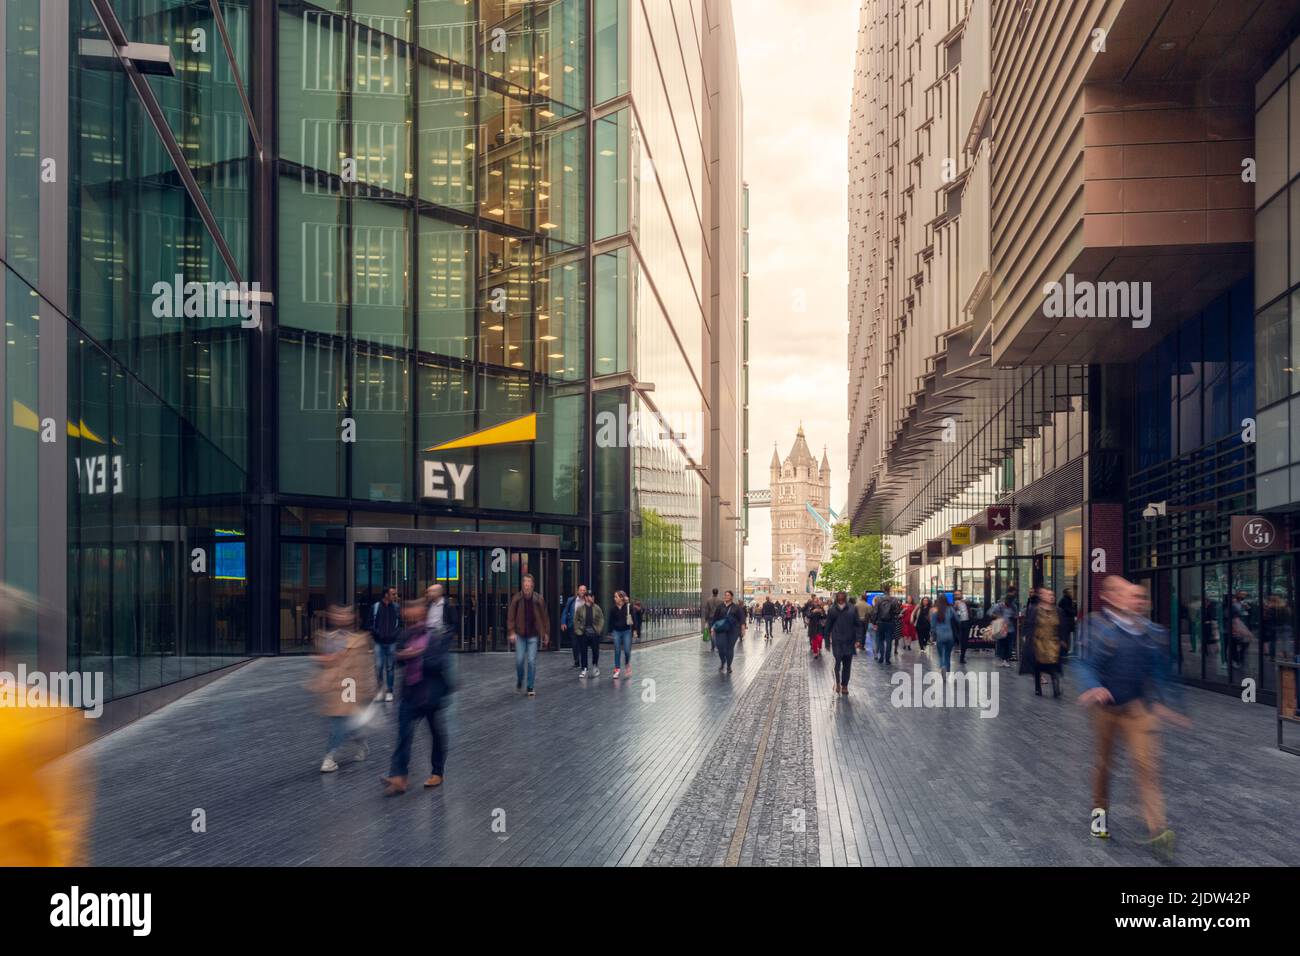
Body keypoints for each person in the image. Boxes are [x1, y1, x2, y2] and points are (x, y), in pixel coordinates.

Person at [1076, 576, 1189, 860]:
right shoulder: (1096, 626)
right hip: (1106, 708)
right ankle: (1099, 815)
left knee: (1146, 765)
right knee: (1104, 764)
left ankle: (1158, 829)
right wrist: (1092, 685)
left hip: (1138, 707)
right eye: (1127, 595)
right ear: (1111, 598)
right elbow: (1082, 660)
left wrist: (1170, 704)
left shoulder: (1151, 632)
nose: (1135, 601)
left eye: (1138, 597)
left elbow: (1162, 670)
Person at [382, 591, 456, 796]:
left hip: (430, 694)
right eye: (408, 616)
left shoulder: (435, 636)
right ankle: (399, 777)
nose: (411, 619)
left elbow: (439, 662)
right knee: (404, 734)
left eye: (415, 615)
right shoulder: (405, 635)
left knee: (435, 734)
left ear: (422, 614)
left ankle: (437, 771)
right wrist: (401, 655)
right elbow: (397, 658)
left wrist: (417, 655)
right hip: (410, 693)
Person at [313, 604, 376, 773]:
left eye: (345, 614)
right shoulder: (325, 638)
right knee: (348, 722)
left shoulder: (361, 639)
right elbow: (321, 663)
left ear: (351, 618)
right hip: (332, 687)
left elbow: (367, 665)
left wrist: (371, 688)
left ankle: (329, 757)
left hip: (350, 685)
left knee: (339, 722)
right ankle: (361, 742)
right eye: (337, 614)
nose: (341, 617)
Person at [507, 573, 549, 697]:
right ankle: (520, 680)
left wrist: (546, 633)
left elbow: (545, 617)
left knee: (531, 661)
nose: (526, 586)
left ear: (532, 585)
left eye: (528, 583)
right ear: (522, 585)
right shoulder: (516, 598)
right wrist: (511, 631)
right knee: (519, 661)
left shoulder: (538, 599)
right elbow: (510, 616)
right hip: (520, 634)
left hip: (533, 635)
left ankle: (530, 686)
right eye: (525, 583)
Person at [1027, 587, 1065, 698]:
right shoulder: (1035, 610)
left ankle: (1056, 689)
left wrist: (1063, 639)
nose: (1051, 597)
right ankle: (1038, 688)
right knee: (1038, 666)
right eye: (1048, 595)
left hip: (1053, 644)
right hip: (1039, 643)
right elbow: (1029, 625)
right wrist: (1029, 639)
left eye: (1052, 595)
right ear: (1042, 597)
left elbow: (1062, 626)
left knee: (1054, 666)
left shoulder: (1058, 611)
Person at [370, 586, 401, 702]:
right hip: (379, 643)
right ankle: (379, 691)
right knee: (378, 667)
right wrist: (377, 634)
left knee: (390, 668)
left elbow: (400, 624)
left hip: (391, 643)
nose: (395, 596)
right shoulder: (376, 607)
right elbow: (369, 624)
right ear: (386, 595)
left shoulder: (396, 607)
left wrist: (394, 634)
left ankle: (389, 691)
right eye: (393, 594)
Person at [827, 591, 860, 694]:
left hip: (849, 641)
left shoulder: (852, 608)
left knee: (847, 665)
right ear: (837, 598)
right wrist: (827, 642)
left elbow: (858, 625)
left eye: (842, 597)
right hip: (837, 641)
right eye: (839, 597)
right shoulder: (832, 609)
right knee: (837, 663)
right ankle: (837, 682)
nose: (841, 598)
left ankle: (844, 685)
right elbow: (828, 626)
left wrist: (858, 640)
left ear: (845, 598)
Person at [711, 590, 745, 674]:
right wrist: (712, 628)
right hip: (721, 630)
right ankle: (723, 661)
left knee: (729, 648)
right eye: (725, 595)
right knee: (720, 647)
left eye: (728, 595)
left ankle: (729, 666)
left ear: (731, 597)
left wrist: (743, 629)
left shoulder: (736, 607)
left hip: (733, 630)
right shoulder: (720, 606)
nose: (726, 596)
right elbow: (715, 618)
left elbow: (742, 618)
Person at [575, 591, 605, 678]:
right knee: (583, 651)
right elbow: (576, 620)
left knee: (595, 651)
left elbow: (601, 619)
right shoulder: (580, 608)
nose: (590, 598)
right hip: (583, 632)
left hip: (594, 633)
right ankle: (584, 668)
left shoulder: (597, 608)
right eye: (588, 596)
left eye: (591, 596)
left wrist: (598, 630)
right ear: (585, 598)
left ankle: (595, 666)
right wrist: (578, 630)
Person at [561, 584, 589, 668]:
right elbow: (565, 611)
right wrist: (563, 622)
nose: (582, 592)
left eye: (584, 590)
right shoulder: (571, 600)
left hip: (583, 626)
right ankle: (576, 660)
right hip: (573, 625)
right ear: (578, 591)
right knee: (574, 643)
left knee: (582, 644)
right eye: (581, 590)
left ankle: (583, 661)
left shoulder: (588, 600)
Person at [609, 590, 634, 679]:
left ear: (621, 598)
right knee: (617, 650)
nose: (614, 598)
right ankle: (617, 669)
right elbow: (610, 621)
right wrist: (610, 632)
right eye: (614, 597)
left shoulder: (628, 607)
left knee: (627, 650)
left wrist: (634, 631)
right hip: (616, 631)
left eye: (616, 597)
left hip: (626, 631)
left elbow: (633, 617)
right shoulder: (613, 609)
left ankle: (627, 664)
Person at [931, 594, 956, 673]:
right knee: (948, 654)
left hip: (940, 636)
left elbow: (933, 626)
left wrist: (933, 636)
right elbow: (957, 620)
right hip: (950, 635)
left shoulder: (935, 611)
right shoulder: (950, 609)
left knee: (941, 654)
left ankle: (942, 666)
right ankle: (948, 671)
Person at [874, 588, 899, 664]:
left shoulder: (879, 599)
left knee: (880, 640)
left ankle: (881, 657)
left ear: (883, 592)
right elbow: (897, 612)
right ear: (890, 591)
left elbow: (875, 612)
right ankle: (887, 659)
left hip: (880, 622)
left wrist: (874, 622)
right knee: (889, 641)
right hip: (890, 623)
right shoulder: (894, 600)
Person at [952, 589, 971, 664]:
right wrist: (954, 607)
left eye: (959, 594)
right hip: (956, 623)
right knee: (956, 639)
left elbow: (976, 605)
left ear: (961, 595)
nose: (957, 596)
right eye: (956, 594)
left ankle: (962, 657)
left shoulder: (965, 602)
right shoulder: (951, 603)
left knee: (964, 640)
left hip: (965, 622)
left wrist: (966, 602)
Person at [1058, 587, 1077, 657]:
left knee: (1067, 636)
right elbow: (1067, 610)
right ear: (1066, 593)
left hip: (1068, 621)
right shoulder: (1065, 600)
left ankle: (1067, 650)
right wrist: (1073, 612)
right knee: (1066, 636)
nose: (1071, 593)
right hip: (1067, 621)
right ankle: (1066, 650)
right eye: (1070, 592)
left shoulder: (1067, 600)